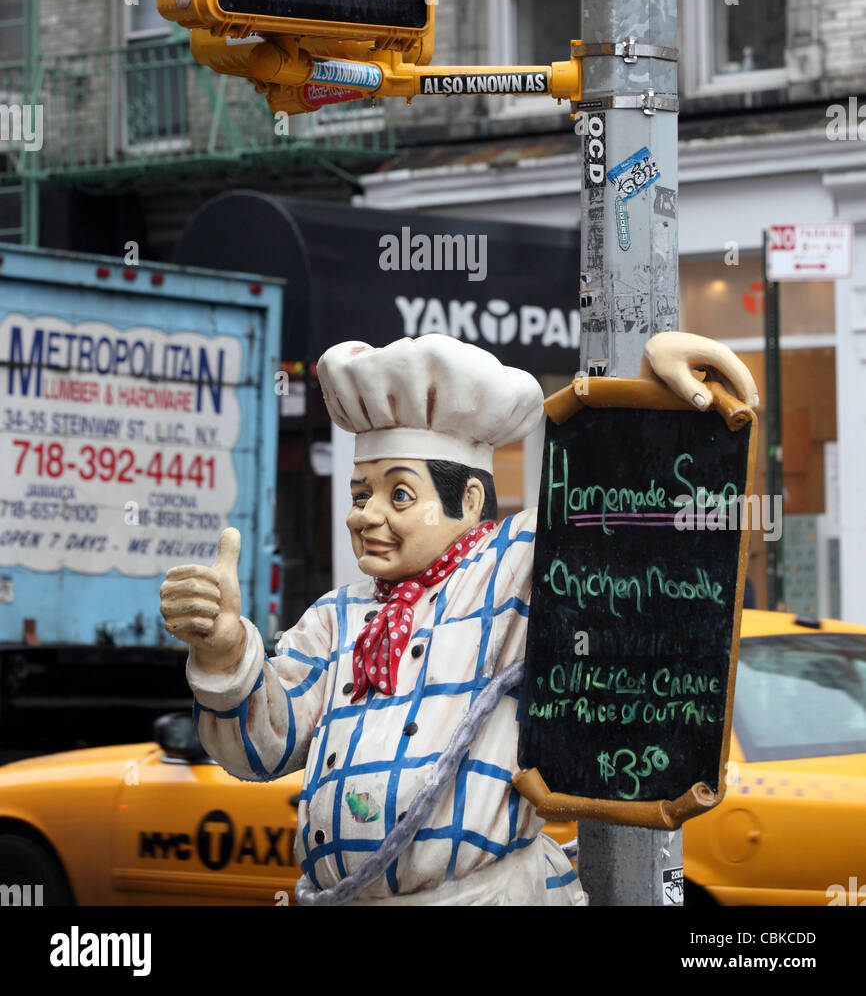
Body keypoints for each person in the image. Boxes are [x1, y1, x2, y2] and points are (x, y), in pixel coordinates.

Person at [160, 330, 757, 906]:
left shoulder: (512, 568)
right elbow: (262, 748)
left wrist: (658, 401)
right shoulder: (336, 618)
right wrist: (222, 651)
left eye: (398, 495)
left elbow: (620, 510)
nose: (365, 516)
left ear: (469, 501)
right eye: (360, 494)